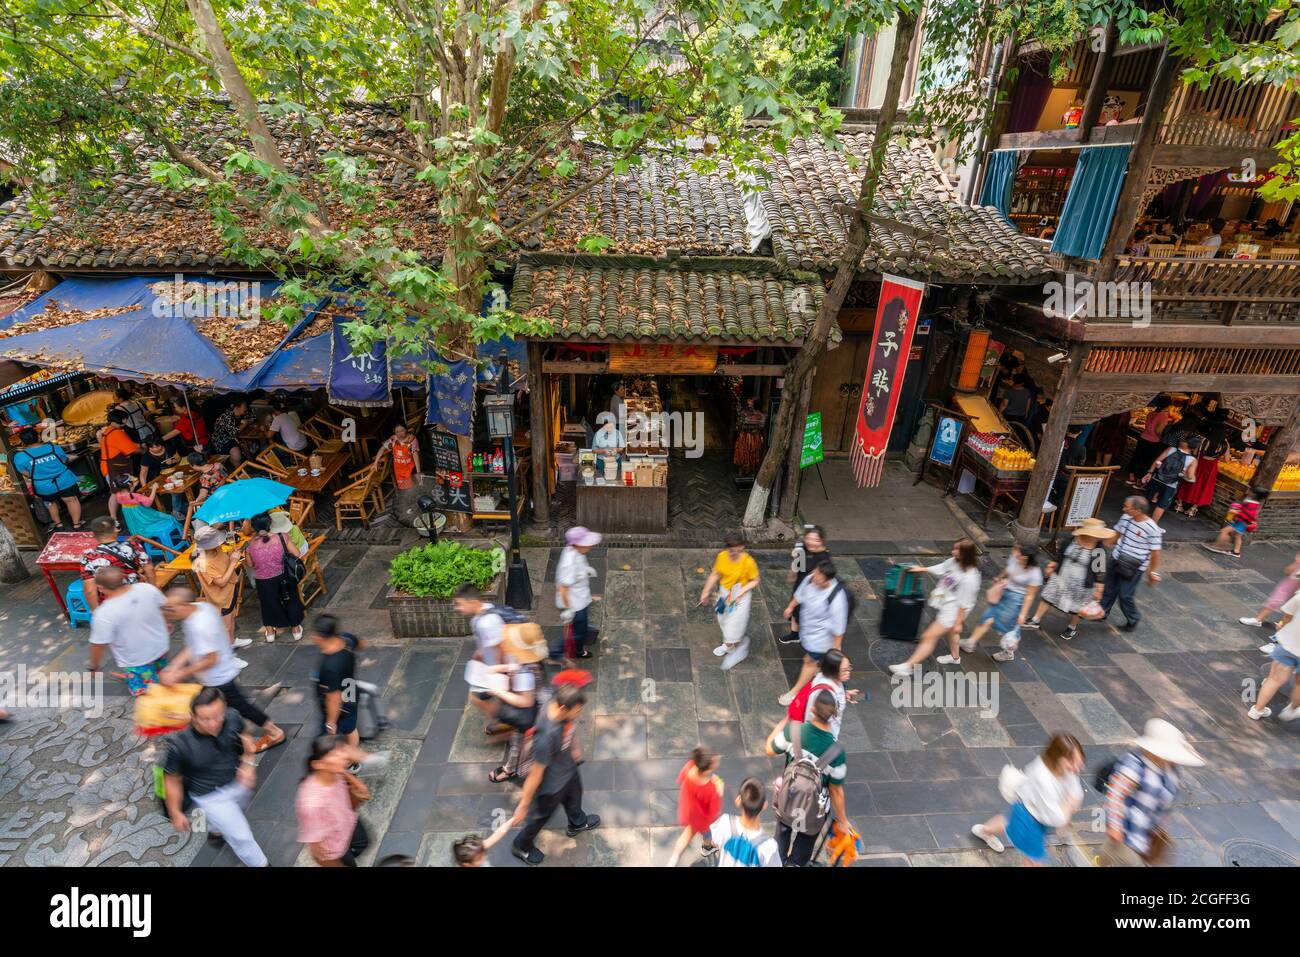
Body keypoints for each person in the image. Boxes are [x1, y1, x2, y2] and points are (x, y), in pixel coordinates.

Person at [160, 585, 285, 750]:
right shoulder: (201, 608)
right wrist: (175, 666)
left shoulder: (200, 626)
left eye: (170, 607)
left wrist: (181, 673)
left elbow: (211, 659)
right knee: (226, 709)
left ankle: (274, 732)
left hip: (219, 678)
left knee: (240, 707)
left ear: (184, 605)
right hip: (214, 676)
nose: (168, 611)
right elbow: (193, 646)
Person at [162, 687, 267, 867]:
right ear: (193, 716)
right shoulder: (180, 746)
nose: (214, 724)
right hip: (210, 796)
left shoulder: (232, 717)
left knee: (236, 811)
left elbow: (246, 738)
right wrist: (175, 812)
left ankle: (216, 831)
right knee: (241, 836)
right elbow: (171, 781)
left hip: (237, 782)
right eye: (205, 719)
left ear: (224, 708)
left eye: (218, 716)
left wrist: (248, 765)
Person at [505, 682, 600, 866]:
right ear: (564, 708)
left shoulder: (557, 704)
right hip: (551, 786)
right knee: (540, 817)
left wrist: (574, 747)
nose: (579, 714)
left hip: (567, 769)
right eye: (577, 710)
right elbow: (536, 773)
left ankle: (577, 822)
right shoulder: (546, 737)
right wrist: (523, 805)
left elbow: (570, 727)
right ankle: (521, 845)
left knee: (575, 795)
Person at [1099, 718, 1204, 867]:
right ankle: (1104, 861)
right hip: (1127, 831)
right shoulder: (1134, 768)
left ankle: (1104, 861)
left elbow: (1165, 799)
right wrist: (1115, 827)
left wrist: (1160, 824)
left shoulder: (1172, 770)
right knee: (1126, 859)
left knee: (1112, 850)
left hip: (1146, 831)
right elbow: (1115, 795)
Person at [972, 733, 1085, 865]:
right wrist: (1069, 805)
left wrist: (1070, 804)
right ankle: (984, 831)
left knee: (1008, 823)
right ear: (1057, 758)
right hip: (1029, 822)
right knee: (1033, 860)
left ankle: (984, 830)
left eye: (1080, 761)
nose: (1077, 768)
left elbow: (1075, 790)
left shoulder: (1065, 768)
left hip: (1028, 811)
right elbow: (1057, 817)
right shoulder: (1043, 778)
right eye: (1071, 762)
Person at [765, 689, 850, 866]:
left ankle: (777, 861)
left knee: (782, 831)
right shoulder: (837, 752)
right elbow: (836, 790)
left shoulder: (793, 731)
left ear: (812, 709)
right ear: (834, 714)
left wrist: (784, 721)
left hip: (788, 797)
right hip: (814, 808)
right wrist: (842, 820)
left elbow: (769, 749)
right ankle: (796, 862)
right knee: (807, 838)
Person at [890, 539, 981, 677]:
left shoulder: (970, 578)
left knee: (928, 636)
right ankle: (955, 658)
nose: (953, 551)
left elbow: (965, 603)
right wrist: (922, 569)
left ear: (966, 554)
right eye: (954, 548)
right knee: (951, 633)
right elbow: (942, 567)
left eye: (957, 550)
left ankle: (908, 666)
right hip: (948, 603)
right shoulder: (955, 561)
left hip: (954, 611)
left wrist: (957, 623)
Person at [470, 630, 544, 782]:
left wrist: (497, 691)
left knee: (518, 743)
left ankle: (510, 770)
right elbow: (512, 667)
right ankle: (508, 727)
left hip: (530, 712)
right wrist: (494, 670)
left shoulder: (527, 669)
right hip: (521, 698)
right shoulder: (523, 657)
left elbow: (526, 702)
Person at [1024, 518, 1114, 641]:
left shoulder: (1099, 550)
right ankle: (1035, 619)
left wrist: (1099, 588)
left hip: (1082, 583)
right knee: (1048, 596)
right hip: (1062, 574)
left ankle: (1072, 627)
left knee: (1077, 607)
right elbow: (1060, 555)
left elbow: (1100, 572)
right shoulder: (1071, 540)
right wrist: (1053, 565)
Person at [87, 566, 170, 695]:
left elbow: (98, 644)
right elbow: (164, 608)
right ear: (124, 578)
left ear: (100, 588)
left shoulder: (104, 613)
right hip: (160, 648)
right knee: (165, 680)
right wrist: (166, 623)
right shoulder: (147, 588)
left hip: (137, 661)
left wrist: (93, 666)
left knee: (148, 696)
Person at [778, 559, 850, 705]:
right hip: (809, 632)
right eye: (815, 573)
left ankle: (794, 693)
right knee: (813, 660)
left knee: (809, 661)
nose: (814, 577)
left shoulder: (837, 600)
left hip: (821, 640)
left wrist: (836, 651)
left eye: (818, 576)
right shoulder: (811, 579)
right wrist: (790, 607)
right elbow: (800, 595)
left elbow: (838, 630)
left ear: (826, 580)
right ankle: (822, 669)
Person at [297, 734, 371, 866]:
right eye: (335, 754)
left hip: (348, 821)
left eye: (341, 750)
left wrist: (357, 784)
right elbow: (317, 852)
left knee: (363, 843)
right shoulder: (311, 804)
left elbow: (342, 772)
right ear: (319, 764)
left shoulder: (334, 770)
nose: (343, 756)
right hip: (334, 847)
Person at [962, 544, 1043, 663]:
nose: (1015, 554)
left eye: (1019, 554)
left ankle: (1008, 652)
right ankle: (970, 643)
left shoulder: (1035, 574)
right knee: (987, 617)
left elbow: (1030, 595)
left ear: (1026, 558)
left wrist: (1022, 614)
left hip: (1016, 600)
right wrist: (1000, 577)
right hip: (1004, 591)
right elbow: (1008, 569)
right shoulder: (1016, 558)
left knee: (1007, 626)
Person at [1100, 496, 1163, 632]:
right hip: (1117, 558)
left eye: (1126, 507)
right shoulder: (1125, 518)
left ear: (1137, 510)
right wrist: (1101, 544)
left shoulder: (1152, 529)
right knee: (1109, 588)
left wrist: (1151, 572)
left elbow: (1156, 553)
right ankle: (1102, 613)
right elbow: (1117, 535)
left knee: (1125, 595)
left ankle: (1133, 618)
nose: (1124, 509)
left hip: (1134, 566)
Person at [699, 533, 760, 671]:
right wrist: (705, 592)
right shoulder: (722, 557)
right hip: (724, 593)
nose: (735, 554)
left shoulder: (748, 561)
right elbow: (715, 573)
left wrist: (741, 591)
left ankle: (734, 647)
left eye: (738, 550)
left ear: (742, 548)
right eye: (732, 551)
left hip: (740, 596)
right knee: (722, 618)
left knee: (734, 625)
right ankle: (732, 644)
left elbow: (755, 580)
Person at [242, 511, 304, 642]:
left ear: (254, 528)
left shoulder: (251, 545)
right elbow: (297, 553)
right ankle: (296, 630)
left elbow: (250, 565)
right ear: (270, 524)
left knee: (267, 604)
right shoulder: (282, 537)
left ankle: (270, 633)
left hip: (264, 581)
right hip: (284, 576)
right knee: (291, 600)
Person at [12, 426, 82, 529]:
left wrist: (41, 474)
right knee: (71, 500)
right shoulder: (53, 447)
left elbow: (26, 473)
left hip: (44, 486)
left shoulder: (20, 456)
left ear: (22, 442)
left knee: (50, 503)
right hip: (64, 480)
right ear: (39, 437)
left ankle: (59, 524)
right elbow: (63, 460)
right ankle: (77, 524)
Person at [1246, 587, 1300, 721]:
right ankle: (1292, 710)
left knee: (1274, 679)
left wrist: (1282, 626)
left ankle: (1257, 710)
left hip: (1287, 644)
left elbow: (1288, 615)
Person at [191, 525, 249, 648]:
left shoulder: (217, 550)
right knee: (226, 627)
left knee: (232, 617)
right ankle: (228, 655)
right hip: (221, 599)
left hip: (230, 590)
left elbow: (224, 559)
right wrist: (233, 563)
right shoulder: (203, 563)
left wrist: (232, 553)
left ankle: (232, 642)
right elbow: (221, 582)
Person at [80, 516, 154, 610]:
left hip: (111, 605)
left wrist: (96, 612)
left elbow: (90, 590)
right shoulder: (133, 545)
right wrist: (153, 589)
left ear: (93, 535)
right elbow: (149, 568)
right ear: (116, 530)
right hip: (138, 597)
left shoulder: (89, 557)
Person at [666, 746, 723, 867]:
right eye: (713, 763)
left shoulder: (690, 766)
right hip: (703, 820)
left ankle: (673, 860)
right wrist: (719, 790)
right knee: (708, 834)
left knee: (686, 835)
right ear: (707, 770)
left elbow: (681, 778)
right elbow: (714, 811)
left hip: (688, 811)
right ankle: (707, 848)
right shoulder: (710, 790)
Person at [708, 776, 781, 867]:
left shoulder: (724, 823)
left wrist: (717, 796)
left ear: (738, 801)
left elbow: (713, 840)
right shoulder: (769, 846)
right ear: (764, 805)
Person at [310, 613, 358, 745]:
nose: (312, 636)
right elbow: (361, 644)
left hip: (341, 704)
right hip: (351, 691)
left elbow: (334, 697)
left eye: (314, 634)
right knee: (350, 728)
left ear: (320, 637)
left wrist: (330, 724)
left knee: (335, 737)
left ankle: (351, 762)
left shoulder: (330, 666)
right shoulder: (346, 639)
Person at [555, 525, 600, 660]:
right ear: (577, 544)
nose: (590, 545)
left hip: (581, 597)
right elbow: (563, 588)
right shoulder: (569, 563)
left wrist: (586, 570)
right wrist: (568, 609)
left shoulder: (575, 552)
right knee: (579, 630)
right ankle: (575, 651)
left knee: (581, 625)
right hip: (574, 603)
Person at [780, 525, 829, 644]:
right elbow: (797, 567)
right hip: (800, 584)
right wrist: (794, 563)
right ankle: (795, 634)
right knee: (795, 611)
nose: (811, 543)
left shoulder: (824, 559)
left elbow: (823, 581)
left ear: (822, 540)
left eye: (815, 540)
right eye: (809, 539)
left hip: (812, 591)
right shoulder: (803, 548)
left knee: (804, 614)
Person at [1238, 550, 1300, 634]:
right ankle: (1258, 619)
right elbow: (1287, 571)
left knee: (1293, 609)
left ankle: (1284, 627)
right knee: (1275, 601)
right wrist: (1296, 566)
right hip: (1289, 585)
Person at [1142, 434, 1198, 523]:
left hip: (1157, 478)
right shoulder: (1193, 460)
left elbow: (1157, 461)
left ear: (1187, 444)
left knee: (1146, 499)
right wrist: (1183, 474)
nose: (1180, 441)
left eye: (1183, 440)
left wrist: (1150, 472)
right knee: (1161, 505)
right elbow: (1190, 477)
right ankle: (1152, 525)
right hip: (1171, 484)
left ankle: (1137, 519)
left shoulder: (1171, 449)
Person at [1204, 487, 1266, 558]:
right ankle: (1236, 552)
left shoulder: (1252, 503)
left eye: (1251, 491)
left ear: (1255, 494)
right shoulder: (1254, 502)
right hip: (1242, 523)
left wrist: (1236, 512)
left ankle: (1219, 546)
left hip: (1241, 523)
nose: (1249, 492)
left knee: (1224, 531)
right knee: (1237, 536)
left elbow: (1248, 515)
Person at [453, 585, 505, 666]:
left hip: (498, 671)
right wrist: (478, 655)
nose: (457, 608)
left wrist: (499, 671)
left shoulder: (486, 622)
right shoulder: (486, 609)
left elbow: (501, 648)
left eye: (460, 604)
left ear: (473, 603)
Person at [98, 409, 140, 509]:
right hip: (113, 468)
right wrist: (144, 450)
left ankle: (114, 518)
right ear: (123, 420)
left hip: (108, 467)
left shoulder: (107, 431)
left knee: (115, 493)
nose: (126, 422)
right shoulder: (117, 432)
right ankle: (131, 514)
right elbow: (133, 450)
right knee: (122, 492)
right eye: (125, 419)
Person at [1127, 396, 1173, 486]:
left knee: (1137, 457)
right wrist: (1162, 437)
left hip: (1143, 437)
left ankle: (1131, 477)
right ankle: (1139, 481)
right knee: (1146, 461)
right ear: (1167, 406)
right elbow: (1158, 431)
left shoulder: (1151, 413)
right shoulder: (1163, 416)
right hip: (1153, 441)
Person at [375, 422, 421, 490]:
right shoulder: (393, 439)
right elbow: (382, 449)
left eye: (402, 430)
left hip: (410, 469)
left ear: (406, 430)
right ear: (394, 432)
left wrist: (418, 472)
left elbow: (415, 456)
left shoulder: (412, 440)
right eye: (397, 431)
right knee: (403, 488)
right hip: (398, 470)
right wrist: (375, 462)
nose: (400, 433)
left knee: (413, 488)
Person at [210, 395, 250, 466]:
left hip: (233, 438)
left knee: (247, 445)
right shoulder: (226, 417)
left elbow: (252, 417)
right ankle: (237, 470)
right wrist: (244, 424)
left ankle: (250, 464)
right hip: (221, 441)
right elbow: (233, 433)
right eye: (244, 406)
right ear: (237, 408)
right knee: (236, 453)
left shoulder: (241, 413)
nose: (246, 408)